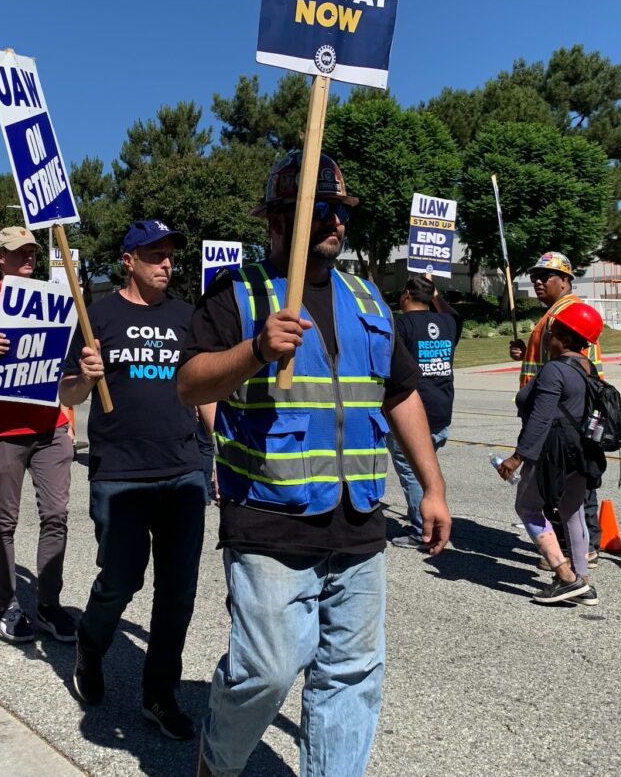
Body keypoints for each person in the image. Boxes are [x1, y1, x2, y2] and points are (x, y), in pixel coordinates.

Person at [177, 151, 452, 777]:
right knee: (267, 670)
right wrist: (254, 349)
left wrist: (431, 488)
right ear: (279, 221)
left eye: (342, 212)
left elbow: (401, 391)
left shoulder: (368, 300)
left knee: (351, 674)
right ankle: (216, 762)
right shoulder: (236, 295)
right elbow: (190, 384)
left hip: (358, 519)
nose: (337, 223)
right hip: (270, 516)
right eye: (321, 211)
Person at [59, 219, 214, 741]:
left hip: (182, 470)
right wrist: (86, 376)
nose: (166, 263)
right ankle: (91, 641)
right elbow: (68, 397)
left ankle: (158, 693)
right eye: (154, 255)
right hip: (120, 474)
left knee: (179, 592)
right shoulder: (96, 315)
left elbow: (204, 390)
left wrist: (226, 449)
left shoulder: (187, 317)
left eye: (170, 254)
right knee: (121, 580)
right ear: (129, 260)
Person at [0, 226, 76, 644]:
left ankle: (48, 604)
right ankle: (6, 606)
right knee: (4, 522)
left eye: (31, 251)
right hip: (3, 431)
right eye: (17, 251)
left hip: (50, 427)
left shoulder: (52, 299)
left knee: (56, 515)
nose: (27, 257)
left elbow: (66, 365)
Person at [497, 302, 605, 605]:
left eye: (553, 331)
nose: (547, 335)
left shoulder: (553, 370)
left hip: (551, 452)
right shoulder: (588, 367)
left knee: (528, 507)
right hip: (581, 452)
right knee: (573, 511)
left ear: (568, 338)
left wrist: (517, 457)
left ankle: (565, 576)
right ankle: (582, 580)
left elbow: (541, 419)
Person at [508, 251, 604, 566]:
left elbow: (564, 371)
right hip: (564, 415)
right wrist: (526, 352)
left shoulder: (565, 316)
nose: (537, 281)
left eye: (545, 276)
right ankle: (580, 548)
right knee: (572, 486)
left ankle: (572, 552)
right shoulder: (557, 313)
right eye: (535, 276)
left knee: (560, 488)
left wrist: (522, 450)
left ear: (564, 281)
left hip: (559, 418)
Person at [388, 274, 463, 549]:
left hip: (413, 411)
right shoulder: (448, 322)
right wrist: (435, 295)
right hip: (442, 408)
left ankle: (424, 529)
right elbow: (453, 314)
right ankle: (434, 513)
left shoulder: (400, 324)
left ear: (406, 294)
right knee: (427, 468)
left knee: (411, 470)